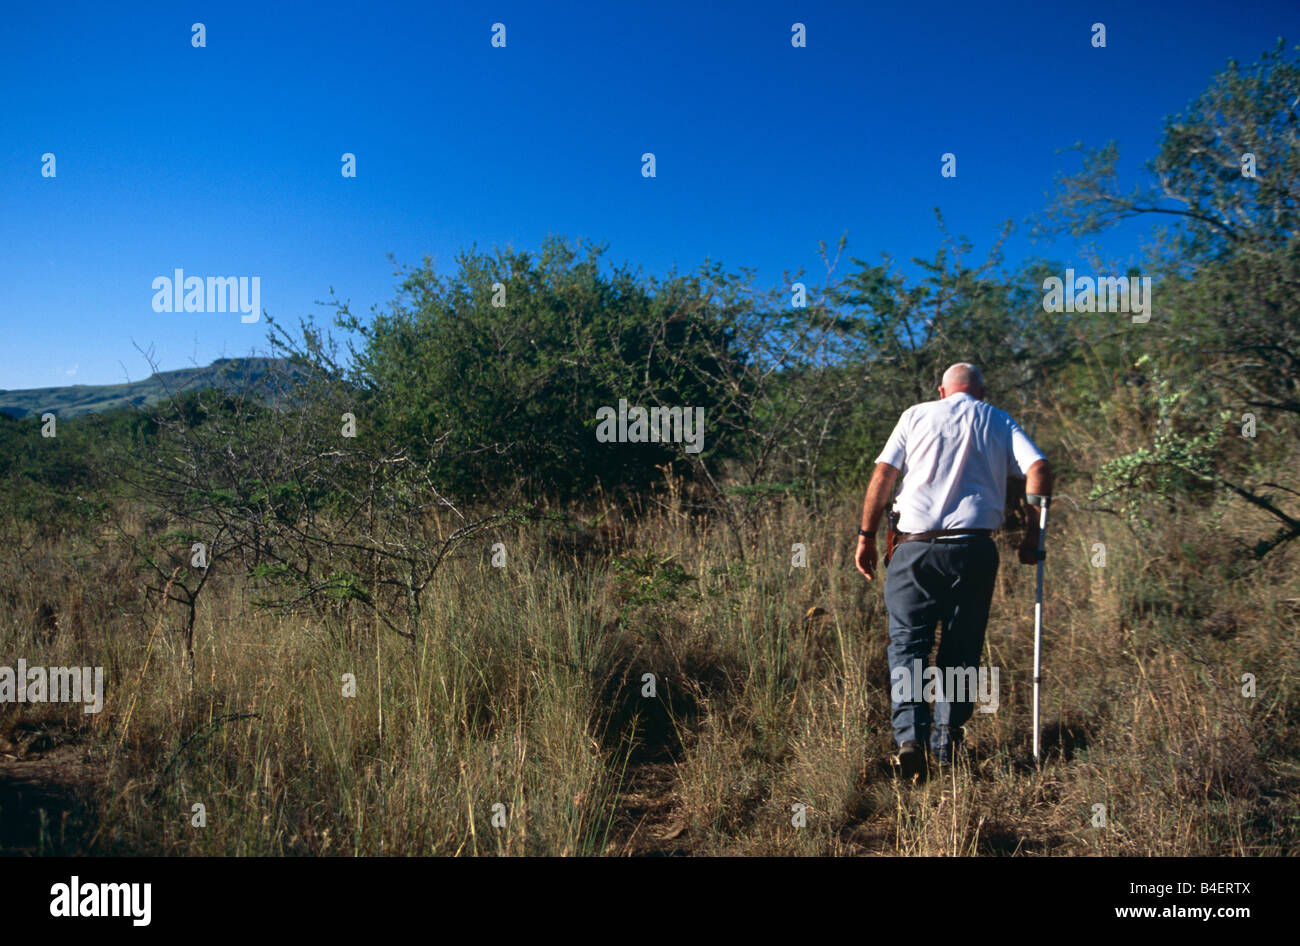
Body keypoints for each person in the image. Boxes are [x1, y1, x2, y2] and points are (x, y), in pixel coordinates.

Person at [854, 363, 1052, 782]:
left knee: (908, 645)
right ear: (981, 391)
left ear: (942, 390)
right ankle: (947, 744)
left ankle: (910, 741)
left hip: (914, 548)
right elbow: (1039, 468)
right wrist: (1033, 538)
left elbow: (883, 475)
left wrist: (865, 536)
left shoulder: (915, 414)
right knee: (961, 649)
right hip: (973, 550)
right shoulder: (997, 418)